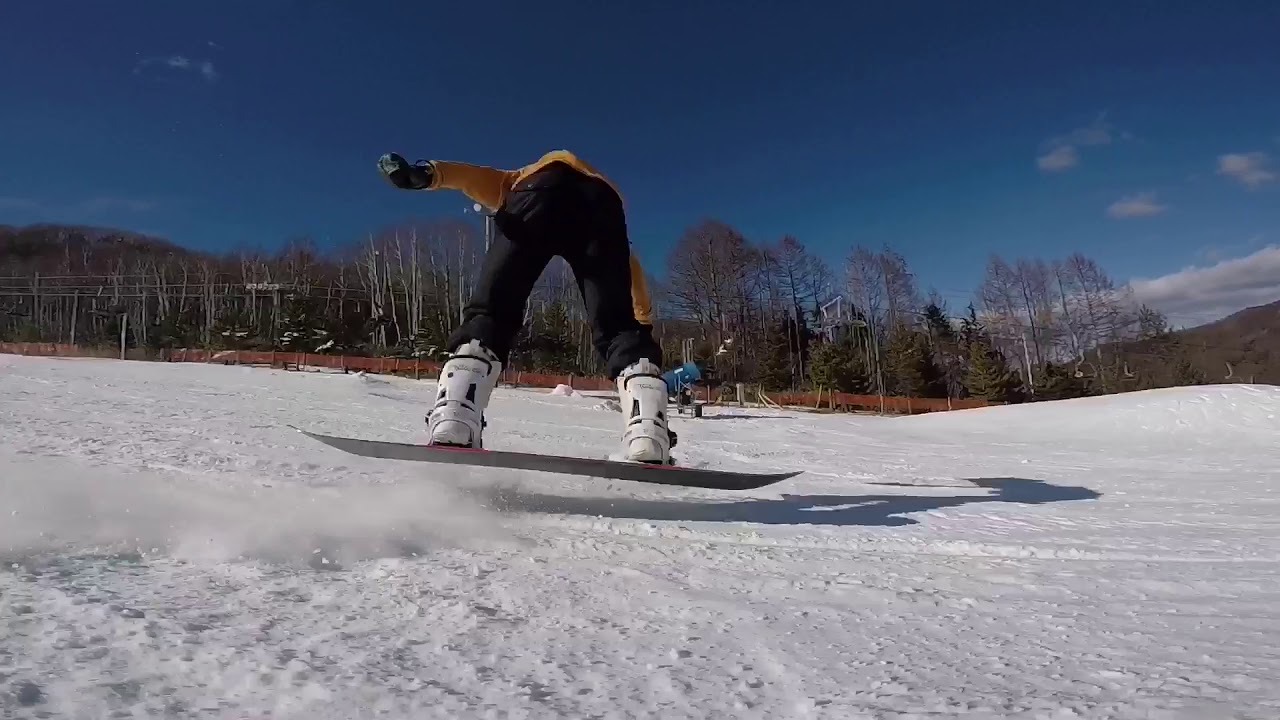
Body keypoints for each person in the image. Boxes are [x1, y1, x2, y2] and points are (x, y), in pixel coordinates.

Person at [376, 149, 674, 464]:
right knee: (619, 327)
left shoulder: (516, 179)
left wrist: (426, 174)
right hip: (602, 205)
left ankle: (456, 414)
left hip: (537, 192)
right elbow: (630, 269)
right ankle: (648, 431)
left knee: (491, 310)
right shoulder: (595, 184)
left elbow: (470, 176)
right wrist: (640, 324)